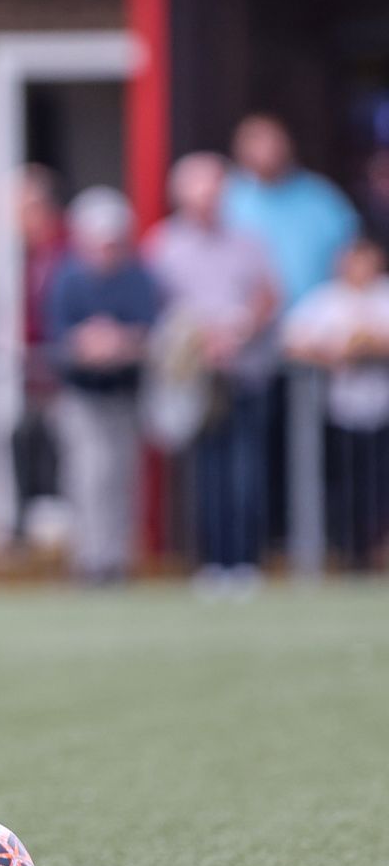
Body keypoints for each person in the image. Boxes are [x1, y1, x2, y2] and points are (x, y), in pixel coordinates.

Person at [148, 153, 280, 593]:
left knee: (246, 473)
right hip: (195, 381)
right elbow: (158, 310)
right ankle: (211, 561)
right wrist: (199, 339)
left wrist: (239, 330)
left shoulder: (247, 242)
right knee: (206, 477)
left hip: (243, 373)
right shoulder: (164, 244)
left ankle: (244, 561)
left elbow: (268, 296)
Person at [44, 188, 159, 584]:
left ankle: (117, 559)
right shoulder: (68, 278)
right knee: (87, 476)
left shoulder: (137, 277)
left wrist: (119, 342)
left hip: (125, 393)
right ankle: (90, 559)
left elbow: (147, 330)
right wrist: (89, 344)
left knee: (122, 477)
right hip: (81, 394)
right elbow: (59, 335)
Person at [283, 238, 389, 571]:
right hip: (339, 409)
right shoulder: (326, 299)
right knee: (343, 483)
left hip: (381, 408)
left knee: (379, 484)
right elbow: (291, 342)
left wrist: (370, 347)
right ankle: (347, 551)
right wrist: (330, 354)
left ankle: (377, 549)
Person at [224, 114, 357, 311]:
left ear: (287, 145)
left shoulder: (320, 197)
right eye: (255, 142)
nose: (265, 150)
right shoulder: (227, 199)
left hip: (314, 320)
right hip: (247, 322)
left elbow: (352, 255)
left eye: (273, 142)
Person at [13, 165, 67, 543]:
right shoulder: (27, 255)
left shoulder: (65, 250)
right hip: (34, 373)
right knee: (23, 437)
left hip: (61, 371)